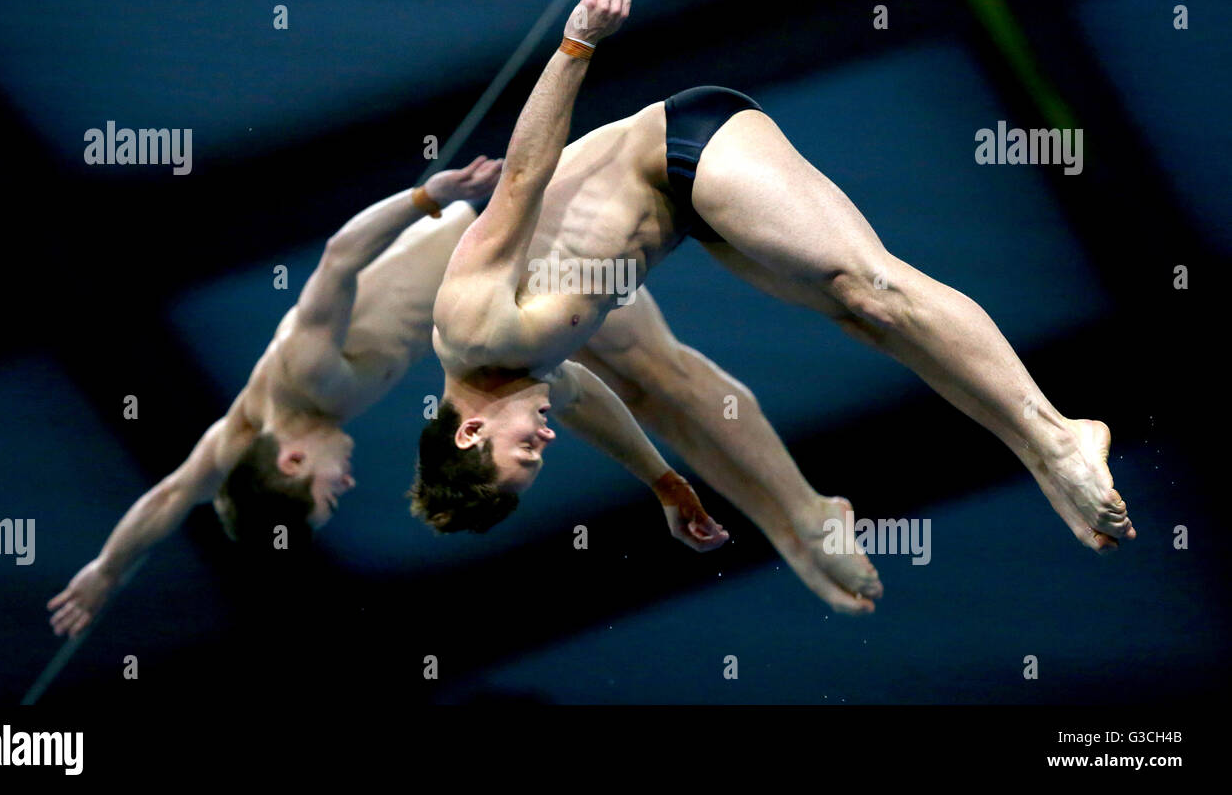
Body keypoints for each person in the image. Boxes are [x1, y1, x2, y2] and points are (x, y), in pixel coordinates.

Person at [426, 0, 1134, 566]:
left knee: (873, 288)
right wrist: (666, 483)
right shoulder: (518, 375)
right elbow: (588, 403)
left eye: (525, 449)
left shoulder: (471, 325)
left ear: (470, 432)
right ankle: (1041, 459)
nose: (543, 441)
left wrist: (577, 43)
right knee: (865, 323)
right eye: (538, 455)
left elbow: (520, 180)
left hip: (687, 145)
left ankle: (1058, 434)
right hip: (691, 214)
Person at [49, 156, 880, 638]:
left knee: (663, 375)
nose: (346, 486)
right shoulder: (243, 436)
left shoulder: (306, 380)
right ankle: (790, 522)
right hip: (499, 309)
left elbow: (338, 257)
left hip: (503, 258)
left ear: (293, 459)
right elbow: (169, 496)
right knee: (647, 396)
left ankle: (805, 514)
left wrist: (426, 197)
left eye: (326, 493)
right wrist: (105, 570)